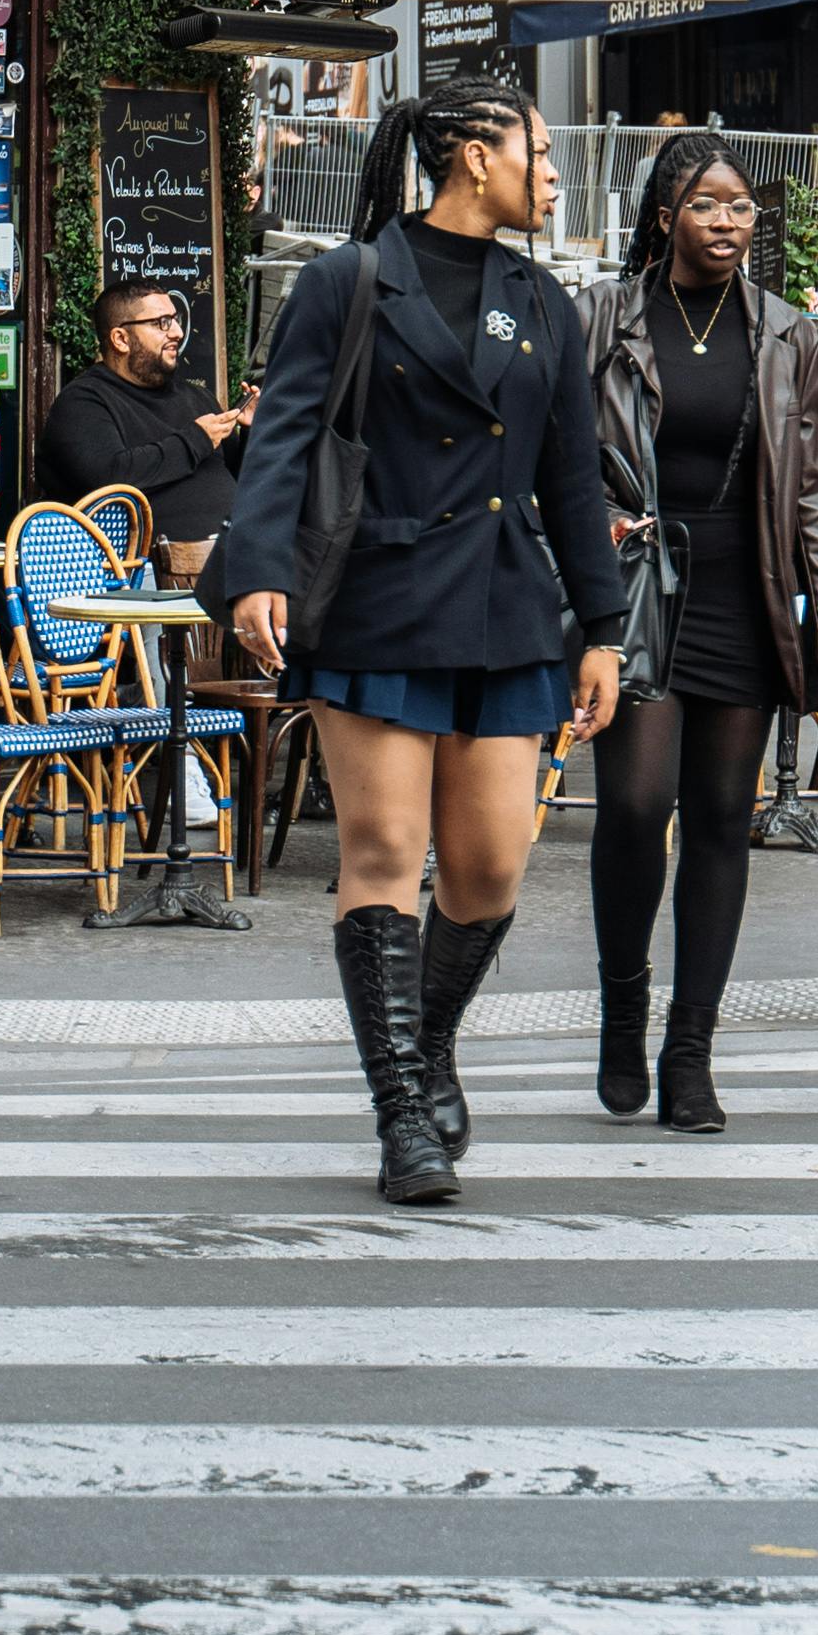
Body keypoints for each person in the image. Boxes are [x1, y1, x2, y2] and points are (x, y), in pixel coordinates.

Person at [226, 84, 623, 1206]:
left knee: (492, 866)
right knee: (386, 850)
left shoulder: (542, 296)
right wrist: (259, 566)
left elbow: (573, 476)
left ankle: (424, 1042)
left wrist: (603, 627)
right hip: (378, 596)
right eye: (536, 152)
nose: (551, 172)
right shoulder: (347, 277)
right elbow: (287, 429)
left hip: (506, 607)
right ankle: (402, 1111)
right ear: (467, 155)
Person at [583, 133, 818, 1132]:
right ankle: (626, 1002)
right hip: (635, 590)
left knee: (715, 817)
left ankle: (689, 1050)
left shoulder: (790, 334)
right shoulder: (605, 317)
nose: (727, 219)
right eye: (706, 202)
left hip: (744, 590)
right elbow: (562, 456)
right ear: (665, 212)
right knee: (632, 800)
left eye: (741, 204)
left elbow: (817, 496)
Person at [33, 276, 253, 580]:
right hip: (140, 578)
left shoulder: (198, 398)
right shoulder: (84, 402)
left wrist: (255, 432)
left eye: (175, 320)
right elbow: (110, 480)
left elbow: (240, 479)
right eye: (162, 323)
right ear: (121, 339)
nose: (177, 332)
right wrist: (196, 440)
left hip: (238, 561)